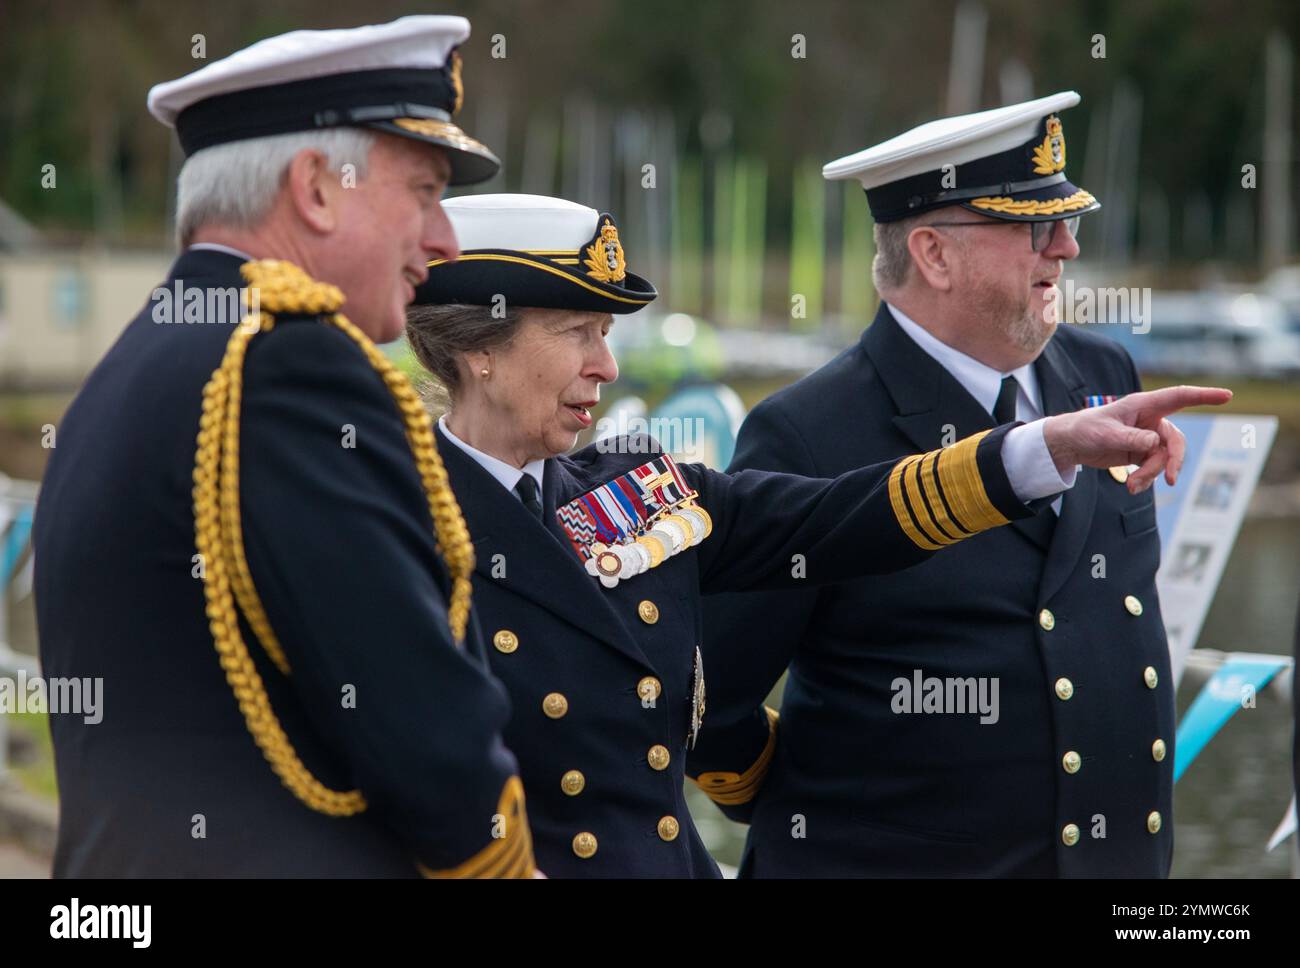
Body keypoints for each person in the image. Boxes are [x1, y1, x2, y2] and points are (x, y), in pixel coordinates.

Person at [404, 191, 1229, 876]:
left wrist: (1045, 448)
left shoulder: (634, 491)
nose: (607, 368)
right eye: (577, 333)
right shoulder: (406, 523)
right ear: (482, 351)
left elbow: (840, 517)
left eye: (608, 335)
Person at [33, 16, 536, 877]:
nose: (444, 241)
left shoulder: (137, 365)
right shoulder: (289, 364)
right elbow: (430, 739)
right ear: (315, 187)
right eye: (422, 192)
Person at [689, 91, 1190, 877]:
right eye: (1034, 226)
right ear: (934, 253)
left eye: (1069, 221)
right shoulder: (809, 433)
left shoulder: (1103, 377)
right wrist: (814, 799)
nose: (1064, 248)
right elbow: (710, 703)